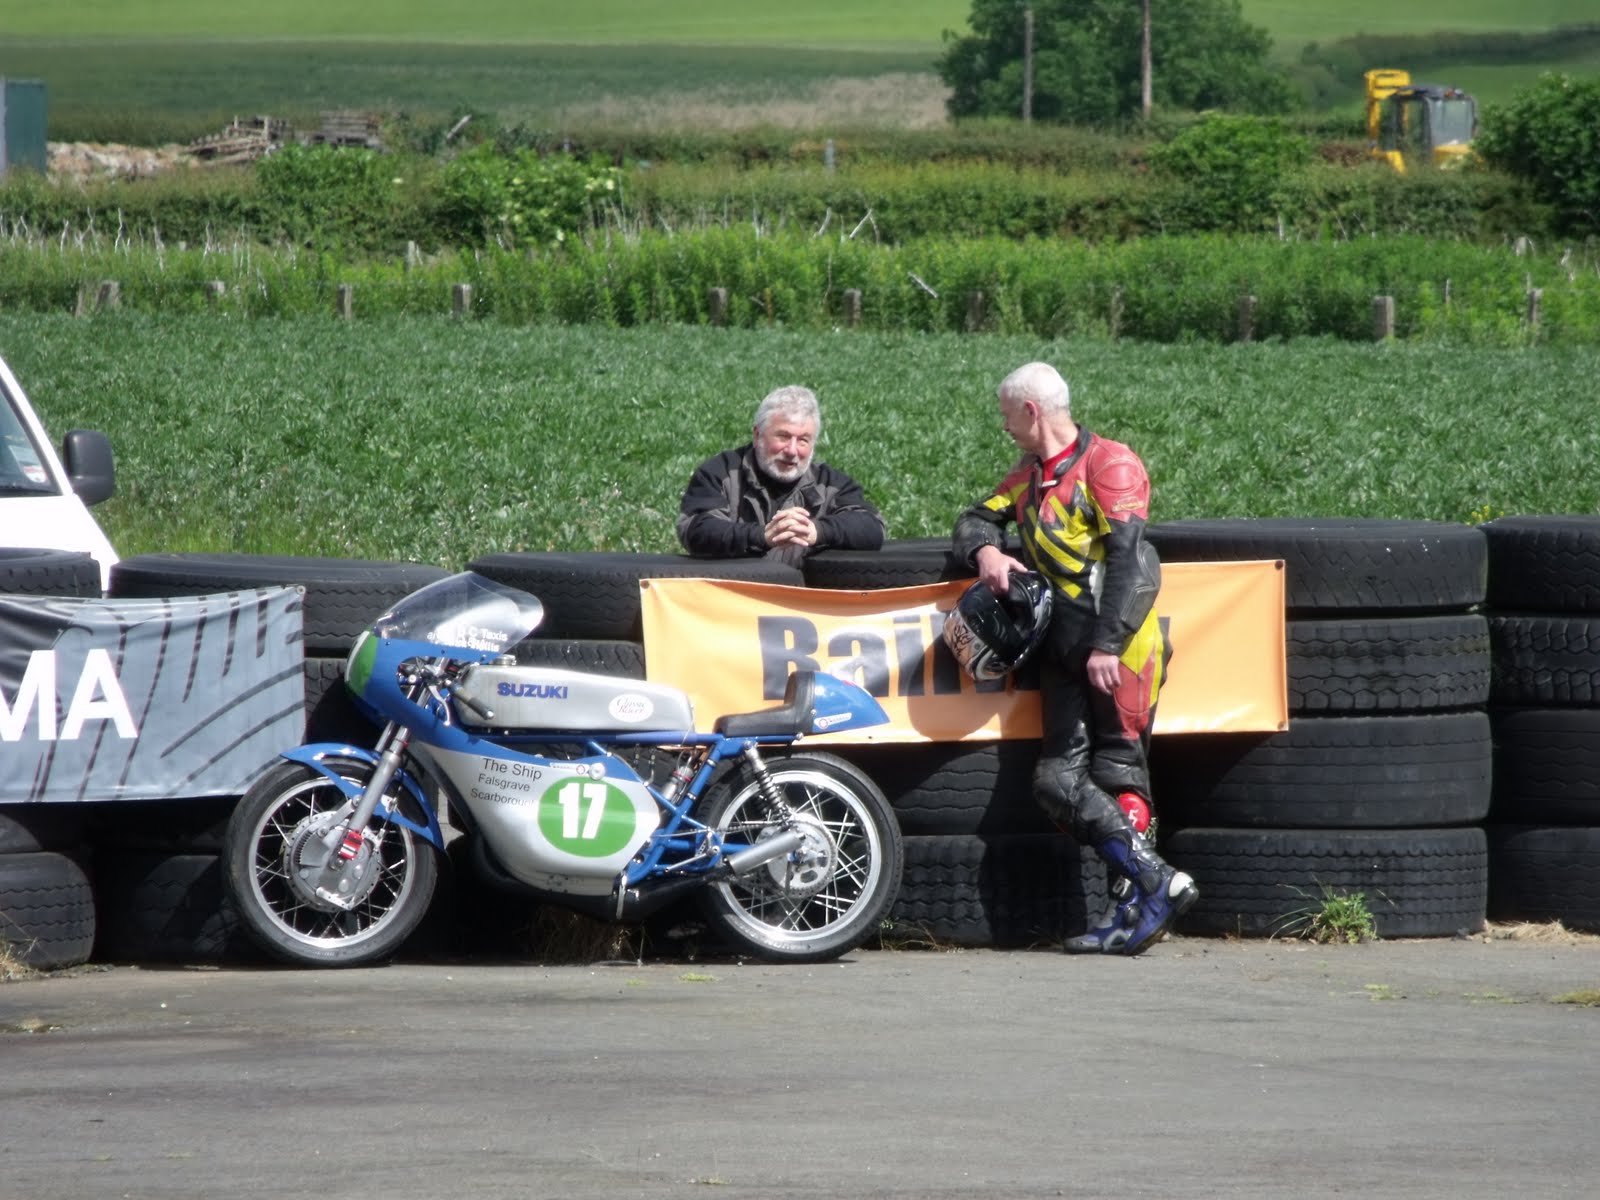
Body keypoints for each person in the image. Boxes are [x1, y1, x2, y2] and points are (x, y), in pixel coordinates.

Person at [951, 361, 1196, 956]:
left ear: (1031, 411)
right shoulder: (1029, 475)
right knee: (1055, 782)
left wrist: (1108, 645)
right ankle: (1157, 881)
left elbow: (1131, 563)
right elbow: (974, 517)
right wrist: (987, 553)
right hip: (1061, 651)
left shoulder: (1110, 464)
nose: (1004, 426)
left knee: (1120, 774)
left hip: (1122, 650)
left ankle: (1133, 910)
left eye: (1007, 415)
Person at [677, 385, 886, 566]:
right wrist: (762, 536)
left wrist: (818, 531)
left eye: (803, 440)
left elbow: (871, 527)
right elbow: (696, 529)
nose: (792, 451)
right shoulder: (720, 473)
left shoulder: (832, 484)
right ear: (757, 435)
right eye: (783, 437)